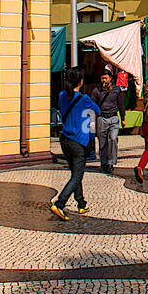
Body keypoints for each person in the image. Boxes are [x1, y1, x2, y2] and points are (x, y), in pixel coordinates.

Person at [51, 66, 97, 220]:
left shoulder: (61, 95)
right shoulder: (84, 99)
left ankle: (81, 203)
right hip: (78, 141)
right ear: (81, 81)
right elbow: (97, 110)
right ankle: (60, 203)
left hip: (64, 139)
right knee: (77, 174)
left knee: (75, 173)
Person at [90, 70, 125, 174]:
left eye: (106, 78)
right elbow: (93, 106)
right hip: (101, 118)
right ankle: (104, 162)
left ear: (110, 78)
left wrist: (123, 118)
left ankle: (111, 162)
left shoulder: (116, 90)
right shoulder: (96, 90)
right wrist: (92, 120)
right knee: (103, 142)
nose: (104, 80)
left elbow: (121, 104)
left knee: (113, 139)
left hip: (114, 118)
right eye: (102, 78)